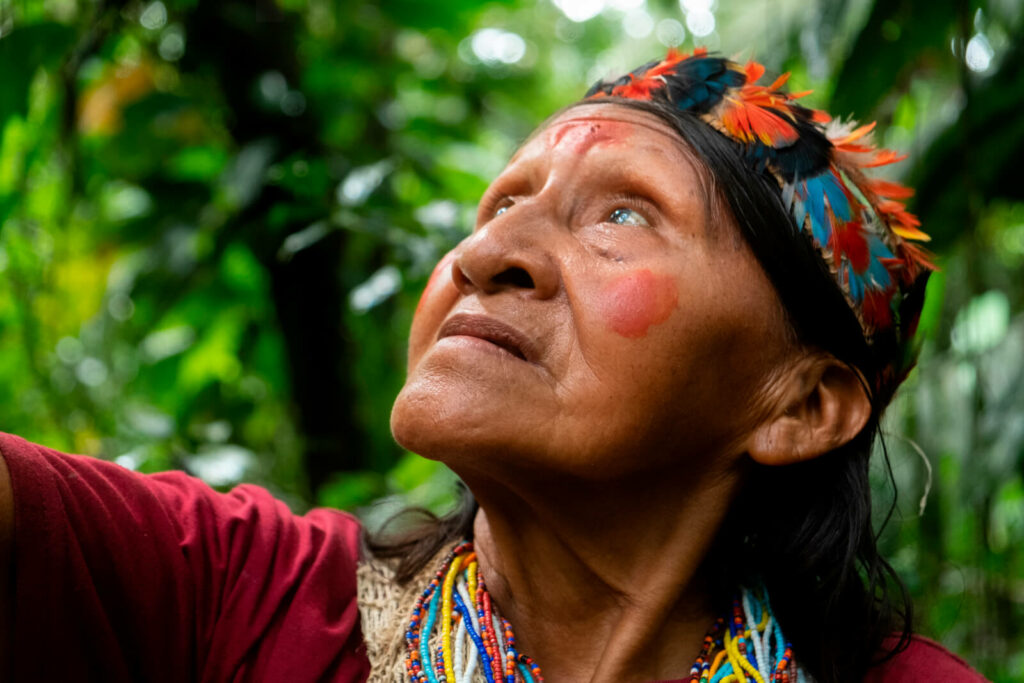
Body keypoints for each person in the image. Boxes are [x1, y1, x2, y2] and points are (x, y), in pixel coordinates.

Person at [0, 49, 988, 683]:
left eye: (623, 214)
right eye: (499, 204)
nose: (482, 255)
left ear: (802, 403)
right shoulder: (242, 599)